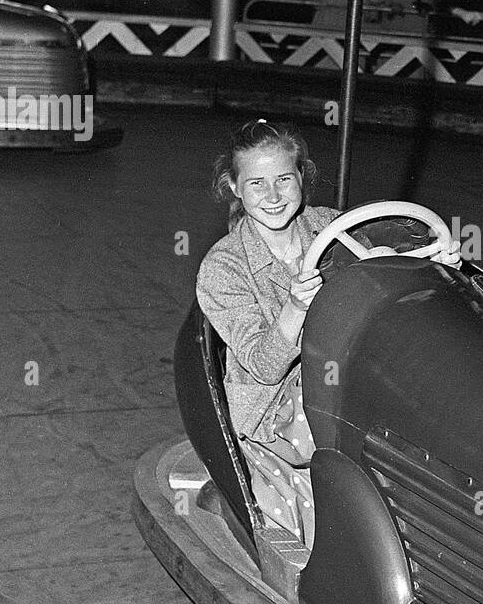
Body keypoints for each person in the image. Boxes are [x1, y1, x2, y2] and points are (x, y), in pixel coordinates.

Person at [196, 121, 460, 568]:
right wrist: (294, 309)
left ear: (302, 176)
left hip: (348, 368)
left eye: (284, 178)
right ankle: (347, 558)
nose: (274, 195)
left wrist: (438, 267)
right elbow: (263, 365)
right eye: (256, 183)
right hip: (276, 408)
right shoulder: (222, 268)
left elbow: (387, 283)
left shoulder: (332, 225)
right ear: (234, 188)